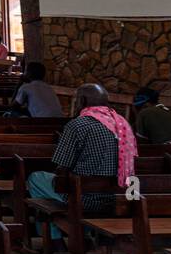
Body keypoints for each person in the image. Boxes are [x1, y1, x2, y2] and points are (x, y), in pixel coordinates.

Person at [27, 83, 137, 241]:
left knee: (36, 179)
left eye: (77, 100)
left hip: (83, 198)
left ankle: (54, 239)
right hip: (117, 198)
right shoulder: (123, 125)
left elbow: (62, 169)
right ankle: (83, 233)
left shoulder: (78, 125)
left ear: (83, 101)